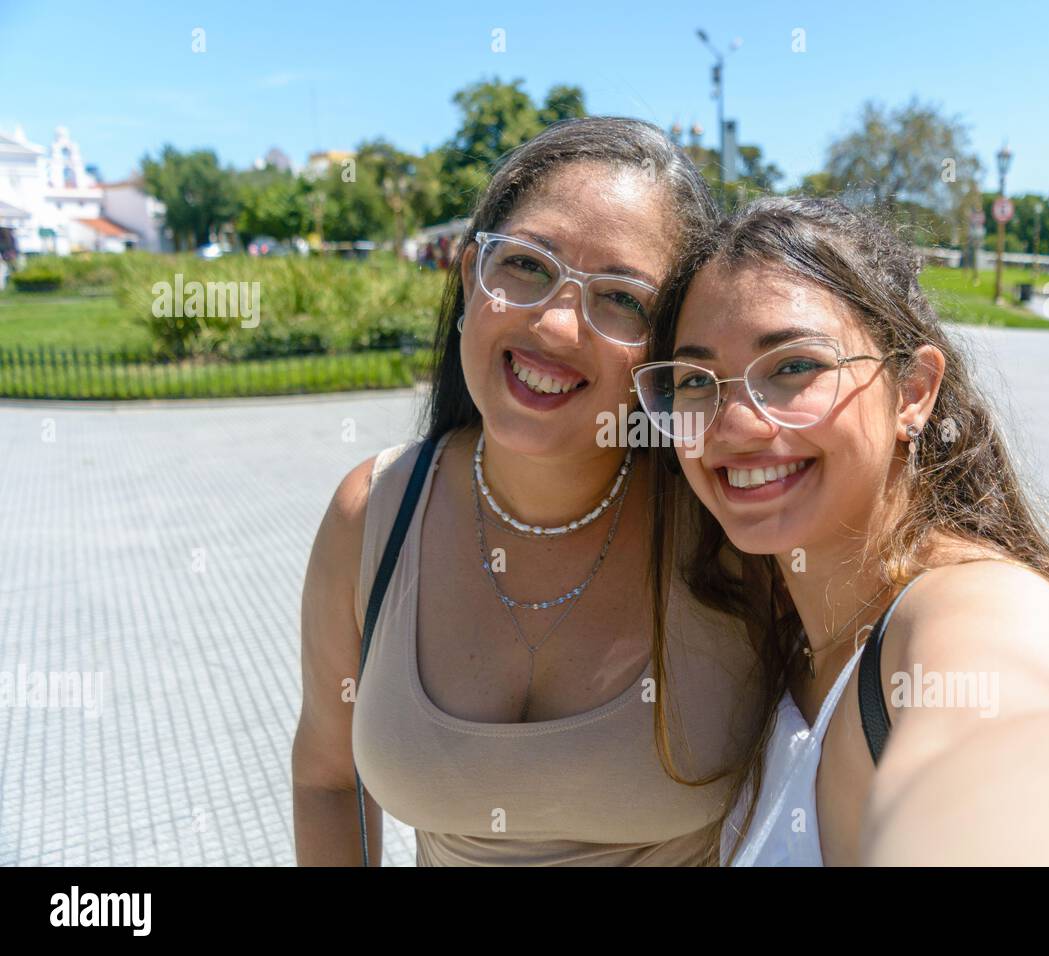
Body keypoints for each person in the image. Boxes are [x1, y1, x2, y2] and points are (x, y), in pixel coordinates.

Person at [634, 196, 1049, 866]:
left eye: (793, 367)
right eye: (697, 381)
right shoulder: (778, 615)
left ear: (913, 392)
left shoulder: (978, 614)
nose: (735, 426)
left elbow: (1005, 757)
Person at [293, 117, 768, 866]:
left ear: (670, 352)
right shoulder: (372, 515)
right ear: (467, 277)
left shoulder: (732, 528)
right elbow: (327, 777)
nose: (554, 324)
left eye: (621, 300)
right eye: (526, 264)